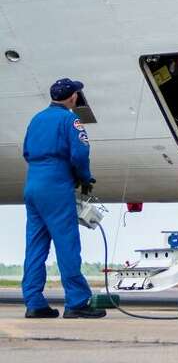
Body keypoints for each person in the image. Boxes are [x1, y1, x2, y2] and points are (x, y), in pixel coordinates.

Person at [21, 78, 101, 319]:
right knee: (67, 244)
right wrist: (84, 178)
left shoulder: (36, 119)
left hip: (33, 183)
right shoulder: (70, 119)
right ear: (73, 97)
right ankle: (76, 302)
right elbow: (80, 153)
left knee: (35, 246)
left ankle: (34, 303)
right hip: (55, 185)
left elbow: (26, 151)